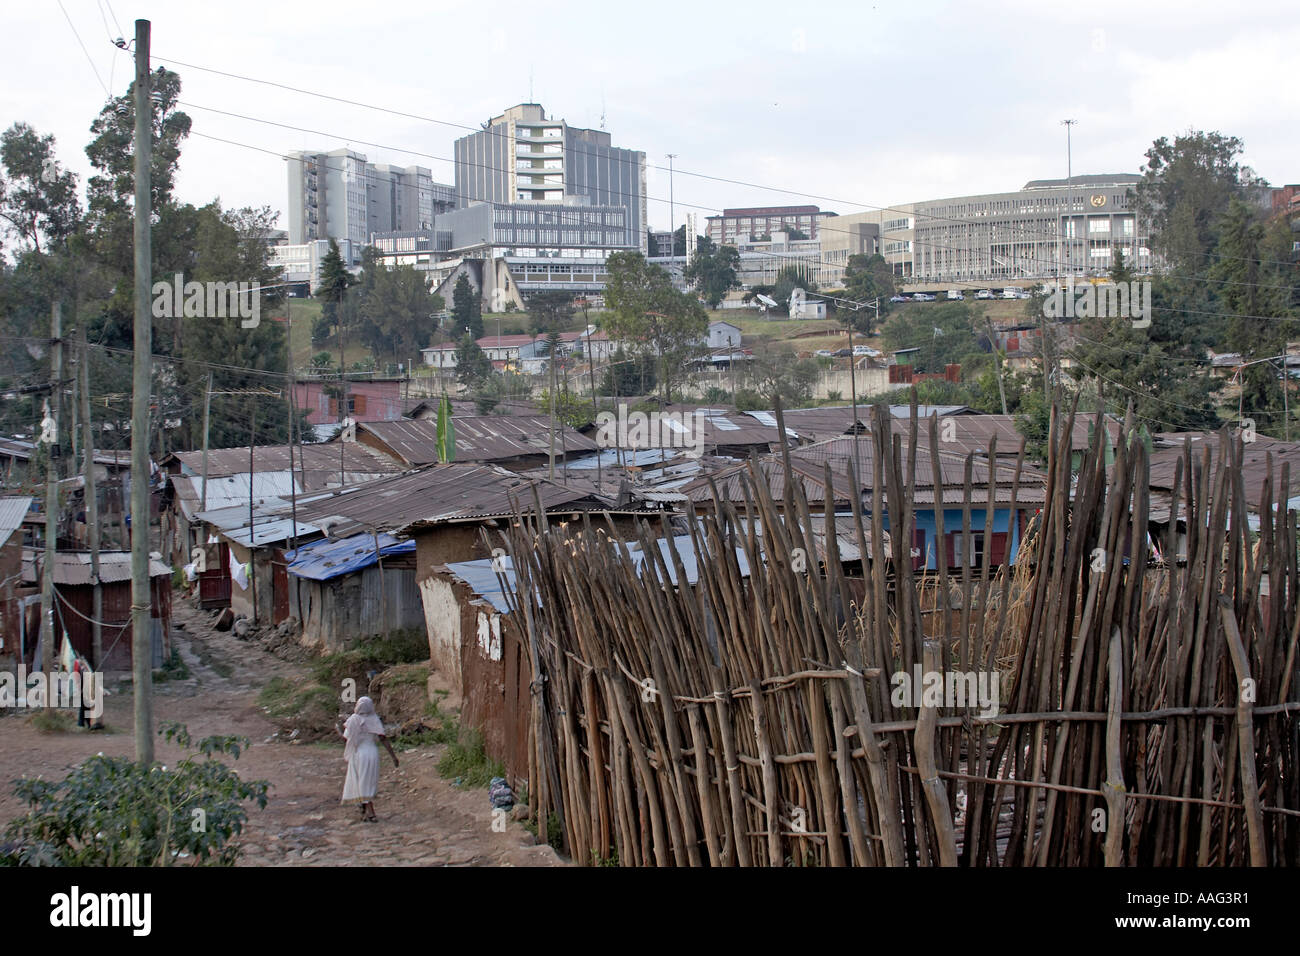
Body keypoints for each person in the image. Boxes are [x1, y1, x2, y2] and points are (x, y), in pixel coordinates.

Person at [337, 697, 398, 822]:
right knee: (369, 782)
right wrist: (393, 756)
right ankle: (365, 810)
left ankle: (370, 812)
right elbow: (383, 739)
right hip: (372, 753)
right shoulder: (374, 719)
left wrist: (338, 731)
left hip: (358, 754)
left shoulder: (353, 720)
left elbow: (346, 739)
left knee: (360, 781)